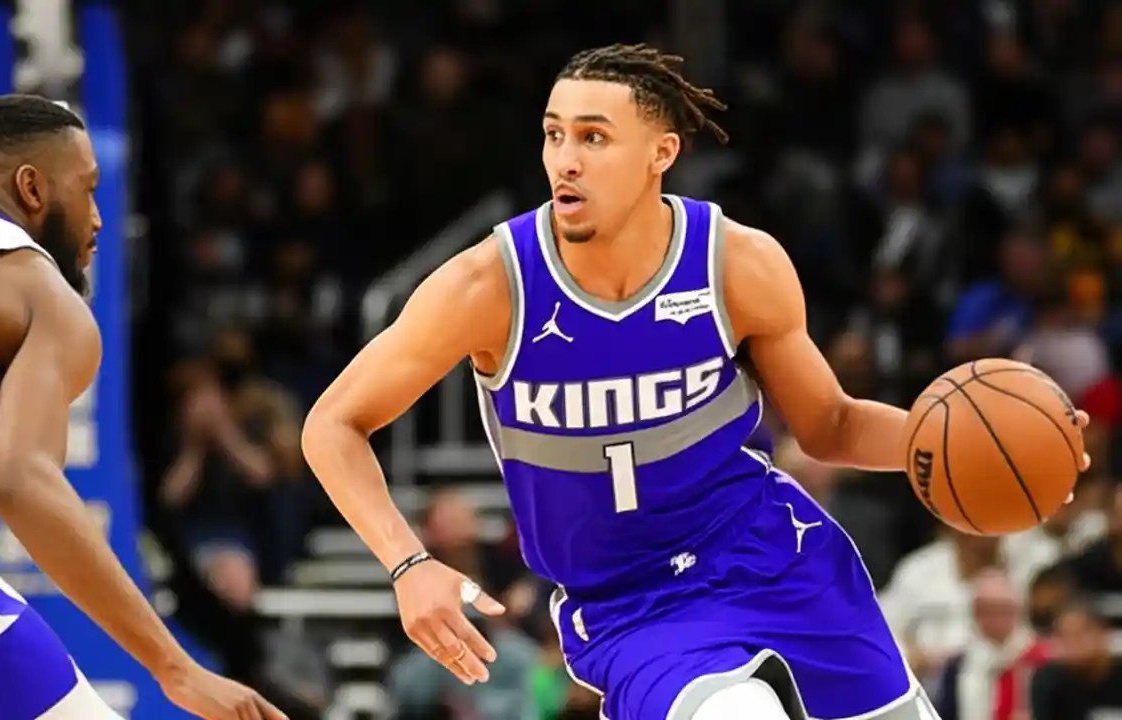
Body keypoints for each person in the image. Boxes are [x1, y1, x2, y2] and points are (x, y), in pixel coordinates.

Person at [302, 44, 1092, 719]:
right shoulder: (489, 286)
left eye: (593, 136)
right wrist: (410, 566)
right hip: (635, 607)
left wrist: (966, 449)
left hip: (774, 556)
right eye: (553, 135)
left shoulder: (736, 265)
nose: (565, 159)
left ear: (661, 152)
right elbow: (332, 424)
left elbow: (830, 426)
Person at [0, 95, 284, 719]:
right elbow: (19, 481)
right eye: (89, 189)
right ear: (32, 188)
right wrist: (174, 666)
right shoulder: (38, 288)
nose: (99, 220)